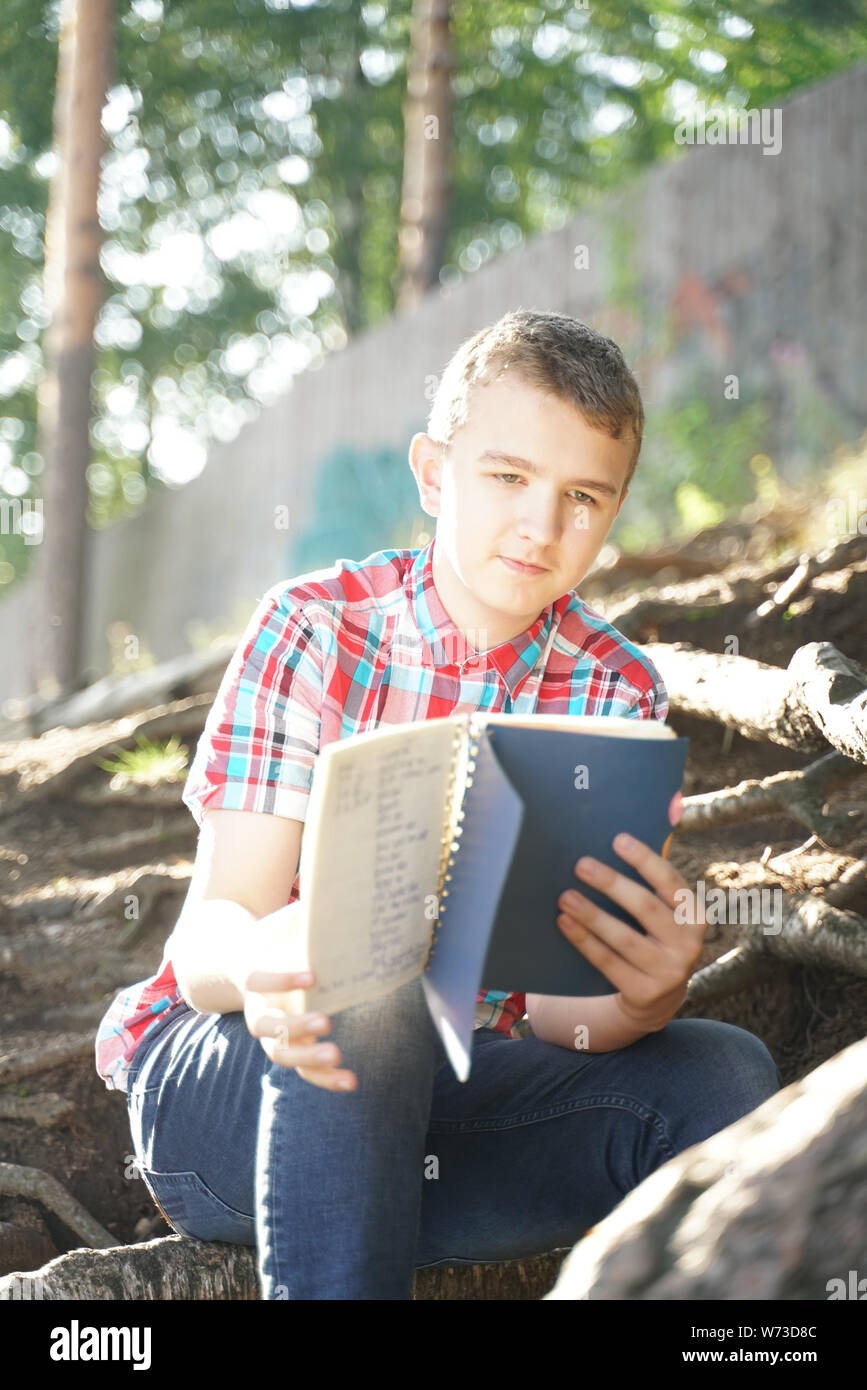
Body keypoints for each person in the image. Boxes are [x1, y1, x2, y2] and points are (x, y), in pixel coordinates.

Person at [94, 308, 782, 1300]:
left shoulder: (612, 688)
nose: (542, 526)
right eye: (507, 478)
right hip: (234, 1091)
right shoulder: (317, 628)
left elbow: (557, 1015)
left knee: (721, 1073)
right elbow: (210, 940)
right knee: (368, 988)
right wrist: (272, 961)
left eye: (582, 497)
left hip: (439, 1117)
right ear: (433, 473)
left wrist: (641, 997)